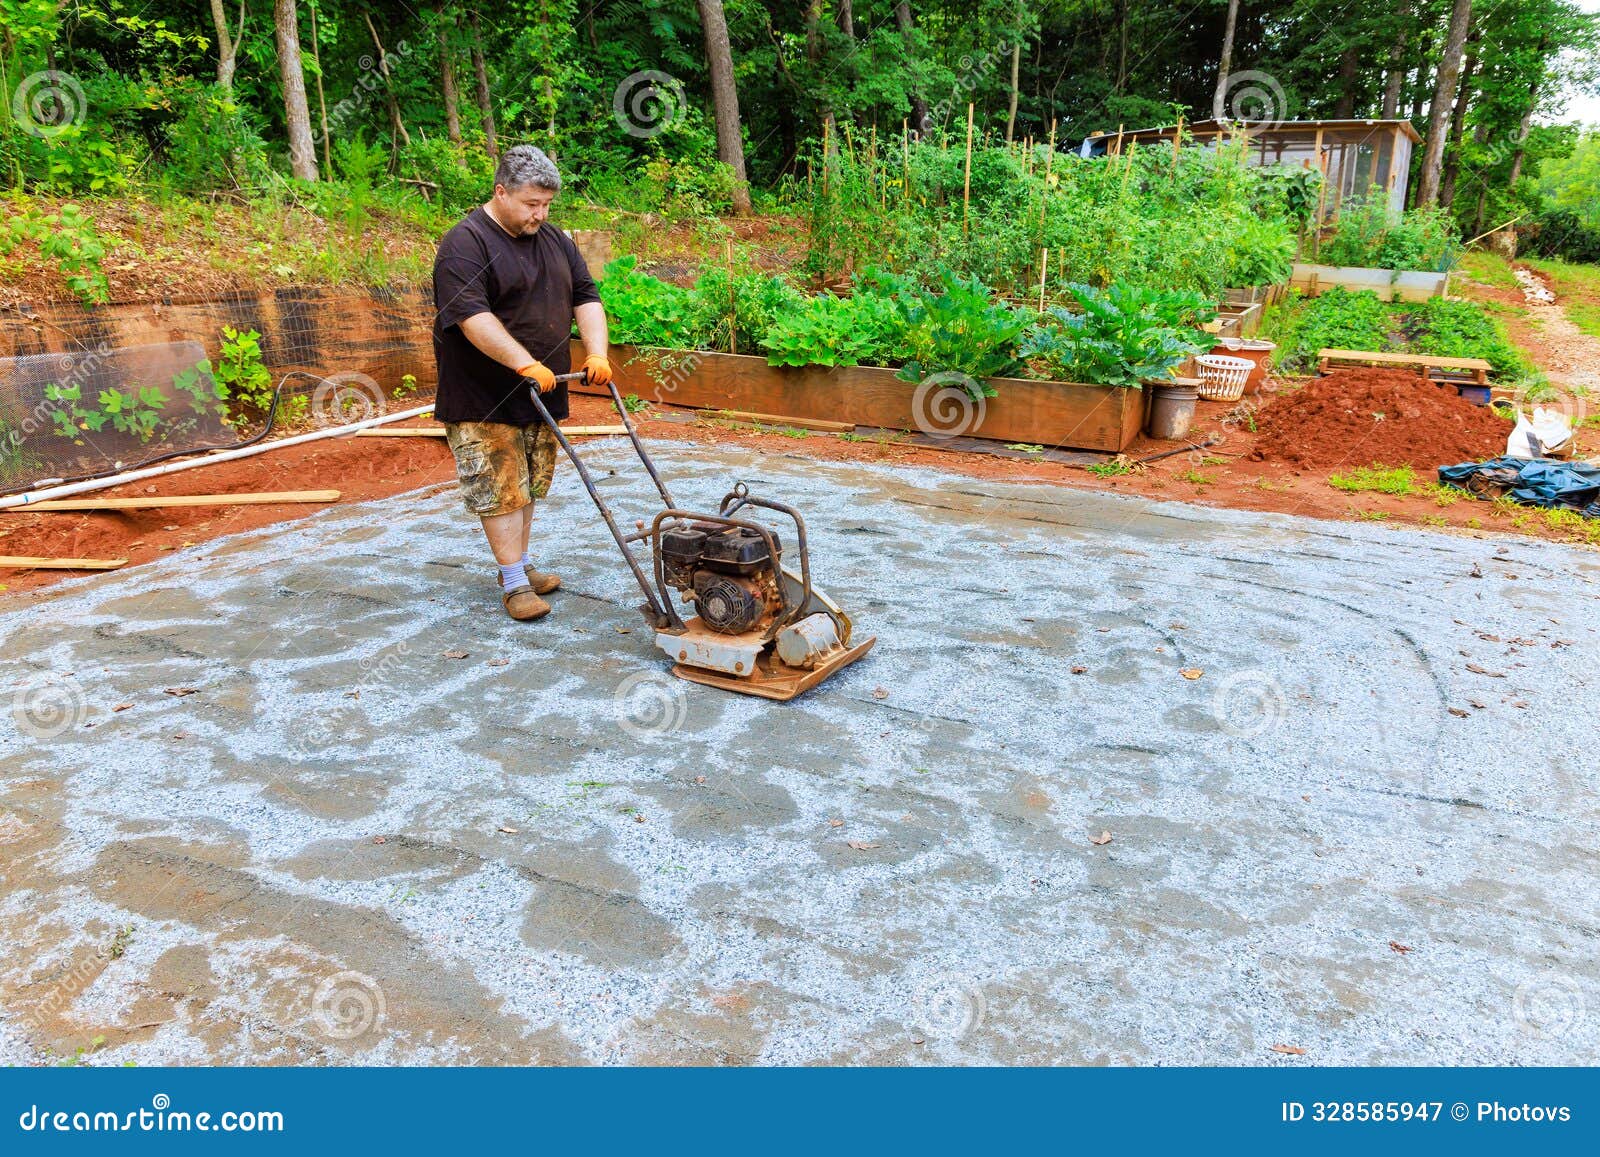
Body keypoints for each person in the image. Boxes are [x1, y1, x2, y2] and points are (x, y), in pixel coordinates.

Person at [431, 145, 612, 621]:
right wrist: (524, 362)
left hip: (543, 391)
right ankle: (513, 583)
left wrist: (596, 352)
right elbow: (472, 318)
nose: (541, 214)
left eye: (547, 204)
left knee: (528, 484)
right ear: (501, 192)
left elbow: (586, 296)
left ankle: (520, 565)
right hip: (482, 395)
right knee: (499, 486)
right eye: (532, 204)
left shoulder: (554, 241)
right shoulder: (465, 244)